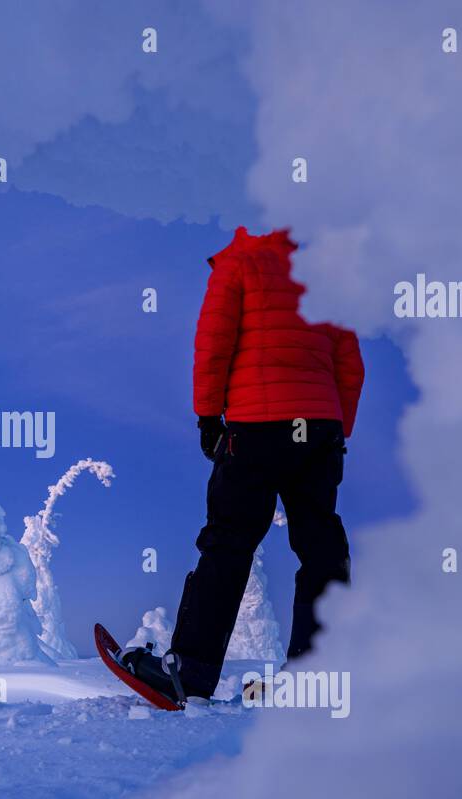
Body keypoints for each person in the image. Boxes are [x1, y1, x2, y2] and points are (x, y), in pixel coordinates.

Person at [123, 226, 364, 705]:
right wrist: (337, 431)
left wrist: (208, 418)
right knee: (321, 547)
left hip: (257, 428)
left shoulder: (239, 262)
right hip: (319, 429)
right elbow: (351, 365)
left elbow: (214, 347)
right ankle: (318, 675)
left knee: (228, 543)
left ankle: (188, 673)